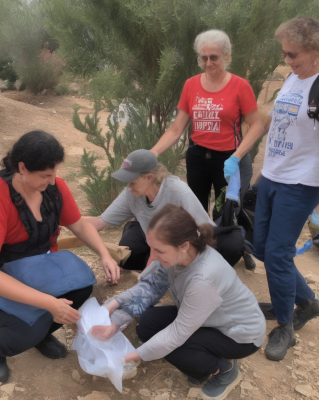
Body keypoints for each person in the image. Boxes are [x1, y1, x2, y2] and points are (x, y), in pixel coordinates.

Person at [0, 130, 120, 383]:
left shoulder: (53, 189)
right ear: (22, 167)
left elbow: (79, 225)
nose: (53, 181)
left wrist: (105, 255)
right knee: (34, 323)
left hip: (28, 267)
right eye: (45, 175)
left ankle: (41, 332)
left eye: (54, 173)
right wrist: (48, 303)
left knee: (80, 288)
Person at [91, 204, 266, 399]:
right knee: (148, 324)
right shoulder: (180, 255)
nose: (153, 257)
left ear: (183, 245)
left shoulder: (203, 279)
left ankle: (224, 370)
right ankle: (203, 356)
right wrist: (113, 310)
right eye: (152, 248)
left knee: (175, 349)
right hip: (209, 318)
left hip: (240, 334)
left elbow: (175, 335)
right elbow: (150, 287)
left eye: (159, 251)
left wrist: (124, 359)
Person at [253, 16, 319, 361]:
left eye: (294, 54)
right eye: (285, 54)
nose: (288, 62)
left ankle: (285, 327)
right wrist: (254, 173)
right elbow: (279, 125)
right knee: (263, 249)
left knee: (277, 255)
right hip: (273, 177)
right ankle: (306, 302)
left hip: (302, 185)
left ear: (316, 48)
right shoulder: (294, 77)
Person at [150, 29, 264, 271]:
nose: (208, 62)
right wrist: (153, 153)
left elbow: (257, 125)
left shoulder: (239, 86)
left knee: (227, 212)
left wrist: (236, 156)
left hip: (230, 159)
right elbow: (176, 128)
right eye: (204, 57)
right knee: (196, 211)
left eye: (214, 57)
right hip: (198, 157)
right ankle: (199, 259)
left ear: (226, 56)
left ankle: (239, 249)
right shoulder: (191, 85)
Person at [85, 149, 214, 271]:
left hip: (176, 240)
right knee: (127, 258)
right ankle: (157, 258)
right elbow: (99, 222)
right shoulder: (131, 192)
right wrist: (71, 223)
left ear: (149, 177)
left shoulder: (179, 191)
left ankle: (161, 261)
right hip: (146, 231)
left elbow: (204, 229)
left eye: (132, 182)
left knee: (176, 262)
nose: (129, 187)